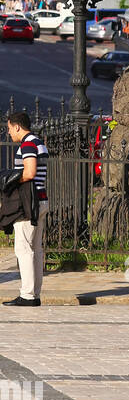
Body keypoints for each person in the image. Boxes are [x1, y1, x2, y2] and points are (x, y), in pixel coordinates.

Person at [3, 111, 49, 308]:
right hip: (41, 200)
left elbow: (29, 172)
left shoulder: (28, 144)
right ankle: (34, 294)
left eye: (9, 128)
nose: (9, 133)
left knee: (24, 249)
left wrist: (9, 181)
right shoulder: (39, 143)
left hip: (28, 203)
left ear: (17, 126)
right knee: (36, 250)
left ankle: (27, 295)